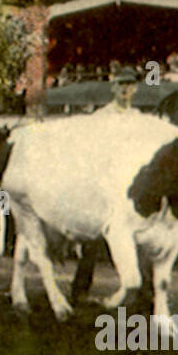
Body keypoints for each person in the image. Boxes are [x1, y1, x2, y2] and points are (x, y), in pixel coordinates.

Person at [71, 65, 146, 306]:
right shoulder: (102, 117)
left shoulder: (138, 118)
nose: (125, 89)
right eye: (121, 85)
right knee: (94, 238)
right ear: (113, 87)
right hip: (105, 184)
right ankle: (80, 289)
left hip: (131, 186)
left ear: (135, 89)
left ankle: (139, 293)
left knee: (136, 240)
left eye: (129, 85)